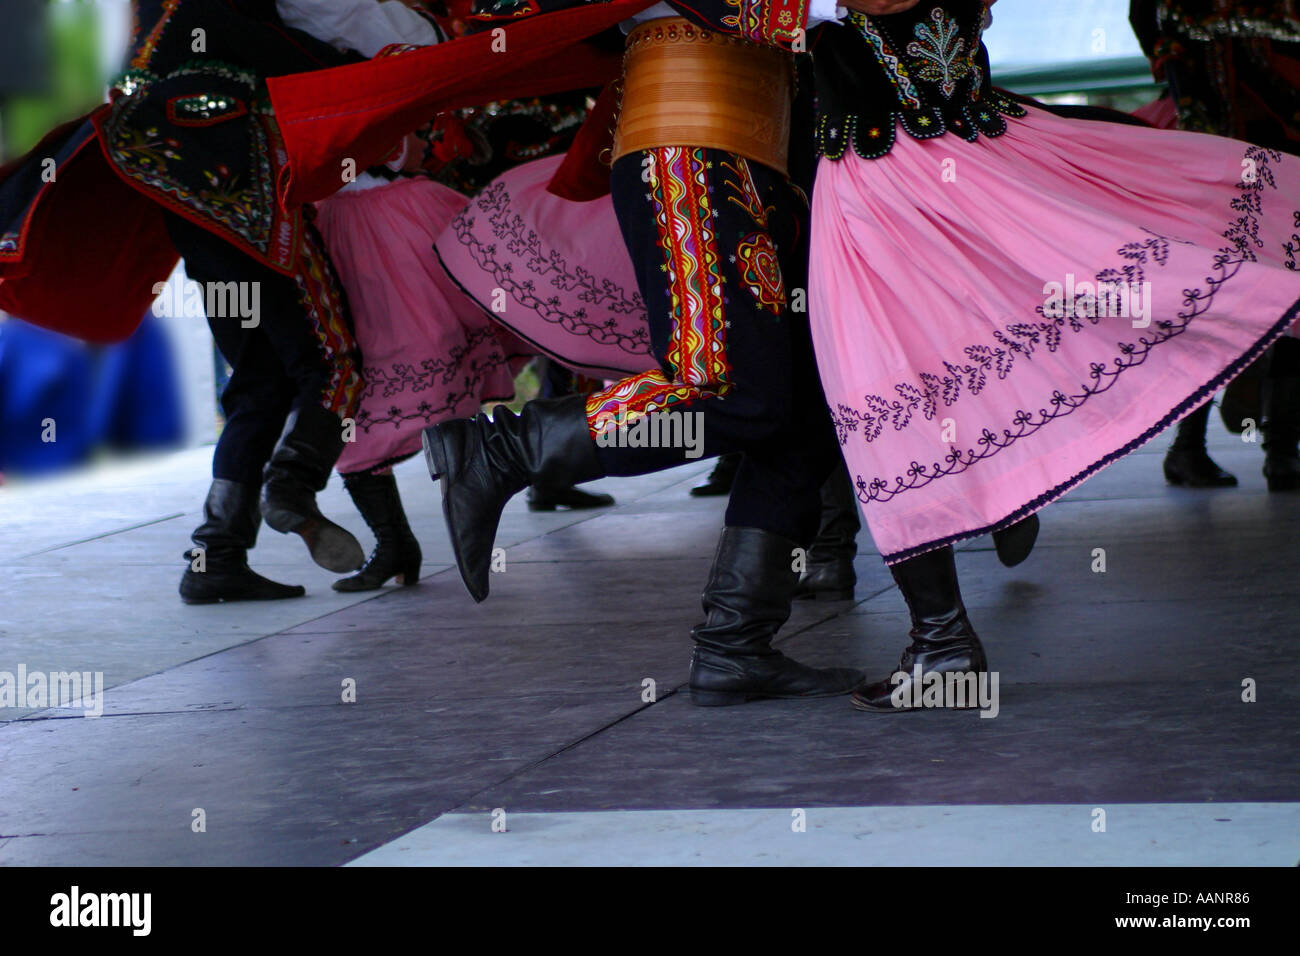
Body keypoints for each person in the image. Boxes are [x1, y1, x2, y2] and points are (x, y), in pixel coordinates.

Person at [804, 0, 1300, 710]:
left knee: (890, 394)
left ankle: (944, 640)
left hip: (895, 177)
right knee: (923, 383)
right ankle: (946, 627)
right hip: (940, 160)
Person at [1131, 0, 1300, 491]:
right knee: (1209, 296)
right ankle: (1202, 447)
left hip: (1263, 133)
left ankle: (1276, 449)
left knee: (1284, 292)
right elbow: (1152, 25)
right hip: (1217, 138)